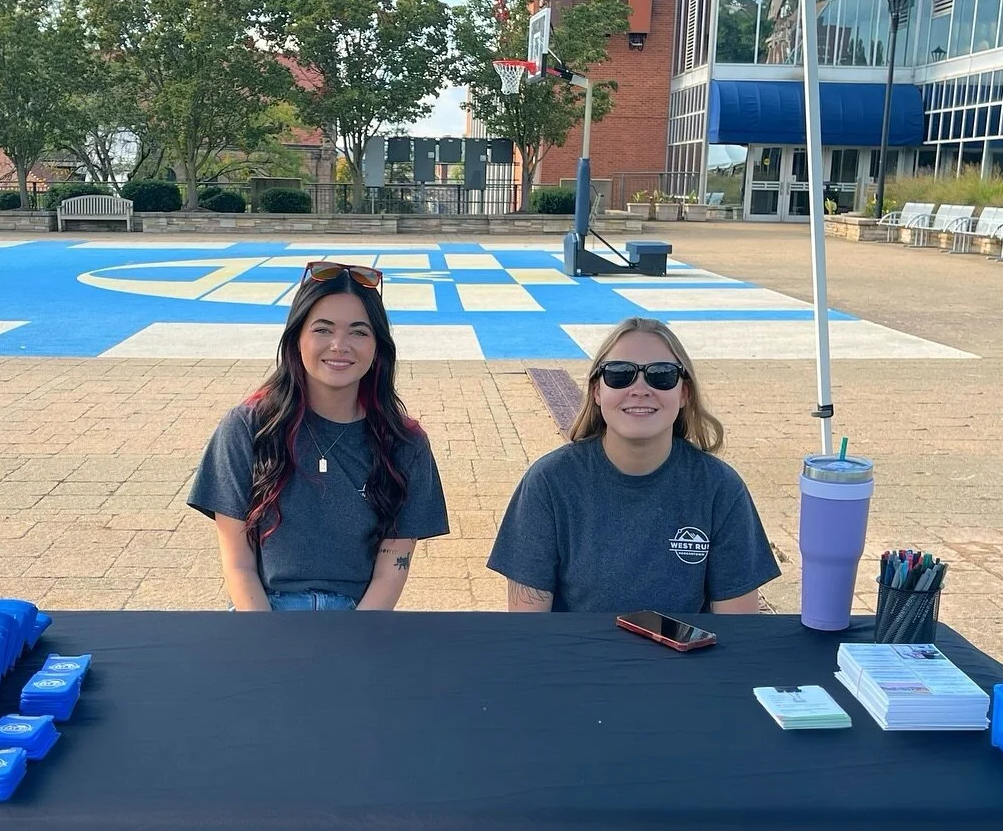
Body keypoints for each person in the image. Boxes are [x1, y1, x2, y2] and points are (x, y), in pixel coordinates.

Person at [189, 261, 449, 610]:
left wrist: (351, 648)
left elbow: (391, 571)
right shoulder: (247, 428)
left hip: (359, 621)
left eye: (359, 332)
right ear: (297, 338)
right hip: (264, 615)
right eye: (323, 329)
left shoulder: (404, 443)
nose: (340, 345)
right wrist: (271, 646)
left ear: (378, 347)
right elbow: (239, 565)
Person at [488, 316, 779, 614]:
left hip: (685, 661)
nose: (640, 389)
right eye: (620, 374)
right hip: (576, 660)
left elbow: (739, 631)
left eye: (661, 375)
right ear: (597, 391)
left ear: (684, 393)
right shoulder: (548, 484)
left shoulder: (720, 489)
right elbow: (528, 631)